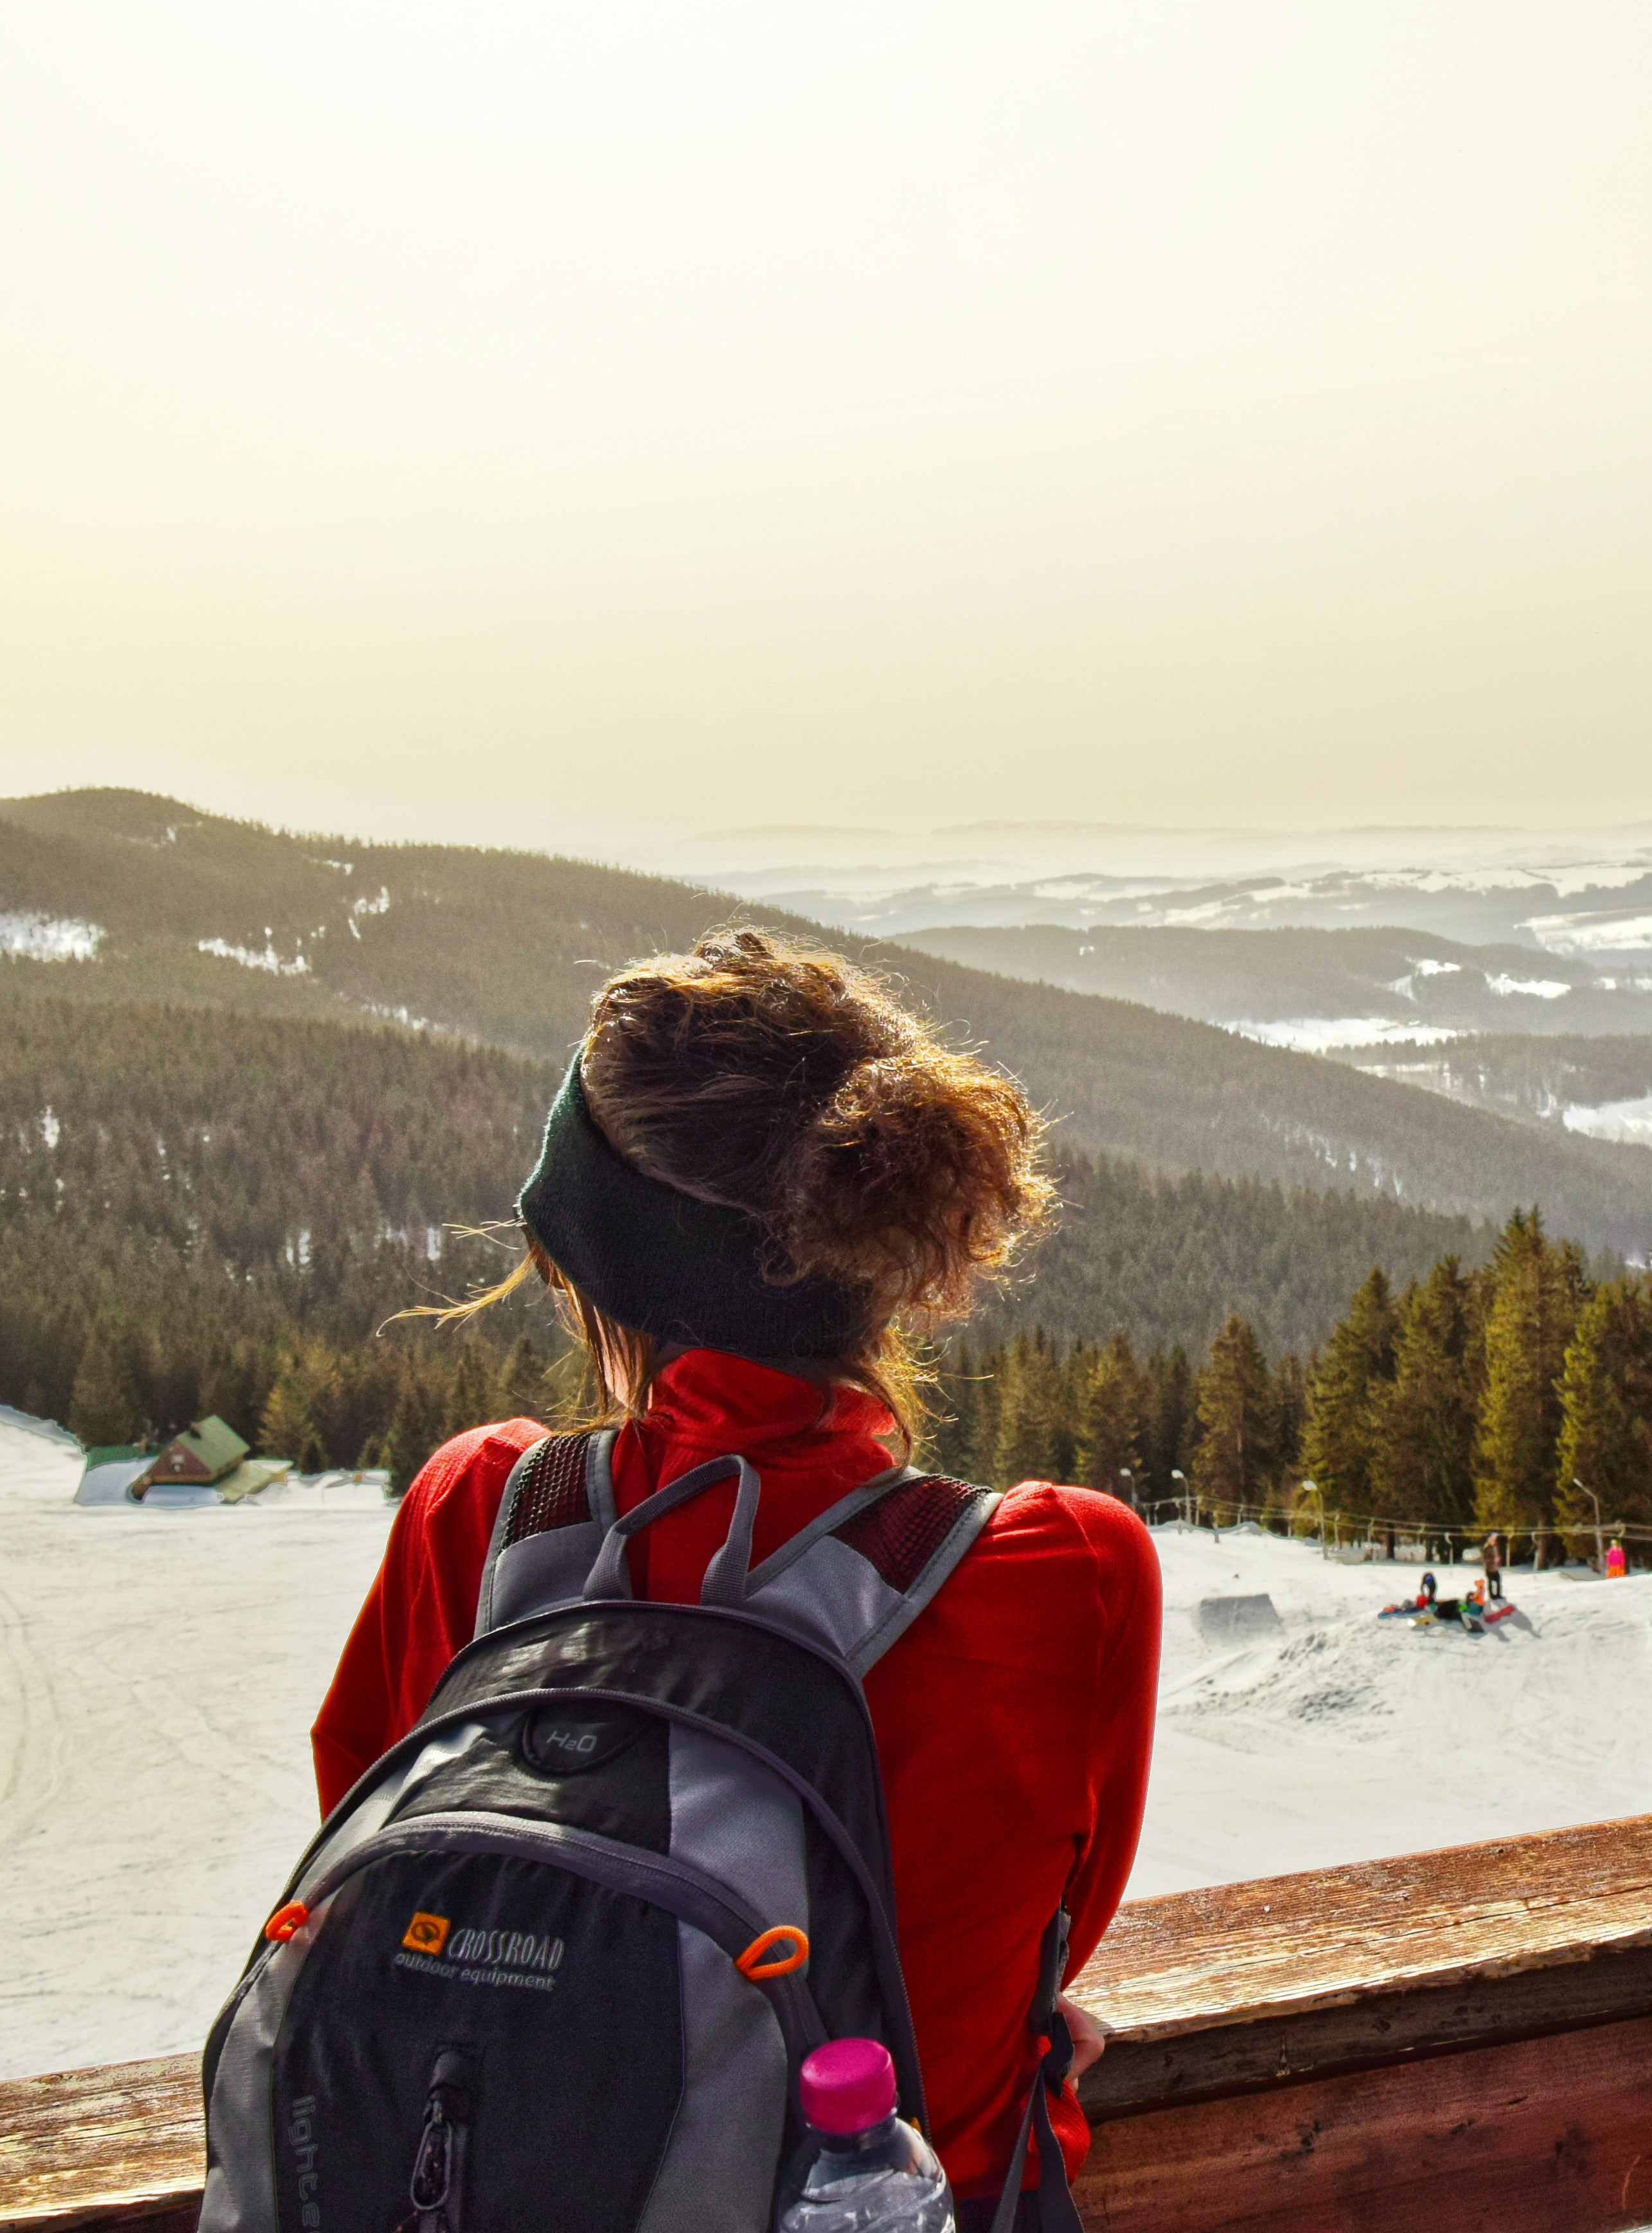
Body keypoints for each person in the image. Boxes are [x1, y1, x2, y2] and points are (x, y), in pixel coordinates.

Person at [312, 931, 1155, 2233]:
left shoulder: (485, 1514)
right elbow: (1042, 1924)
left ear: (596, 1268)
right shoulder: (1065, 1573)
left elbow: (389, 1883)